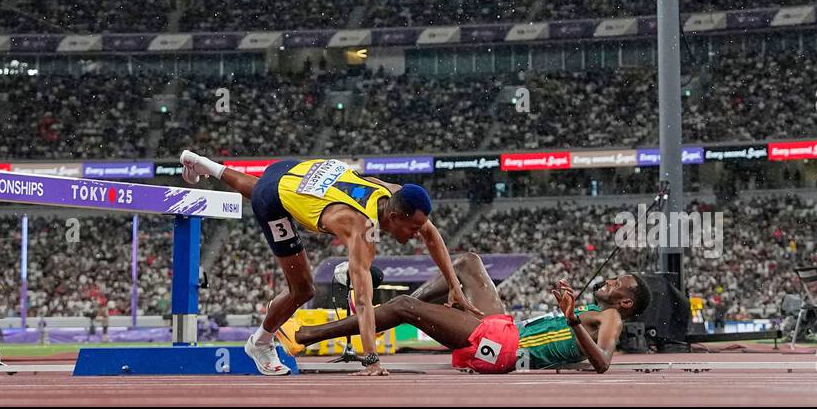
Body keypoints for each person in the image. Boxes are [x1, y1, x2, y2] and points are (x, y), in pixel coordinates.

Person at [180, 150, 479, 376]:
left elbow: (432, 234)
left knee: (258, 185)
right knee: (302, 290)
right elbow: (362, 301)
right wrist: (372, 360)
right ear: (394, 218)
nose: (416, 234)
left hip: (291, 170)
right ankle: (259, 342)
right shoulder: (363, 230)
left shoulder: (393, 194)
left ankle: (205, 164)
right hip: (275, 200)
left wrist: (454, 285)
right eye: (412, 228)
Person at [279, 251, 650, 374]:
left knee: (405, 307)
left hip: (506, 350)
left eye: (618, 283)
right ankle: (380, 313)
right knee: (468, 263)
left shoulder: (611, 318)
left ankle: (303, 337)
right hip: (506, 330)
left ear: (625, 303)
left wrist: (570, 319)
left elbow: (602, 363)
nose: (611, 280)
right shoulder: (593, 310)